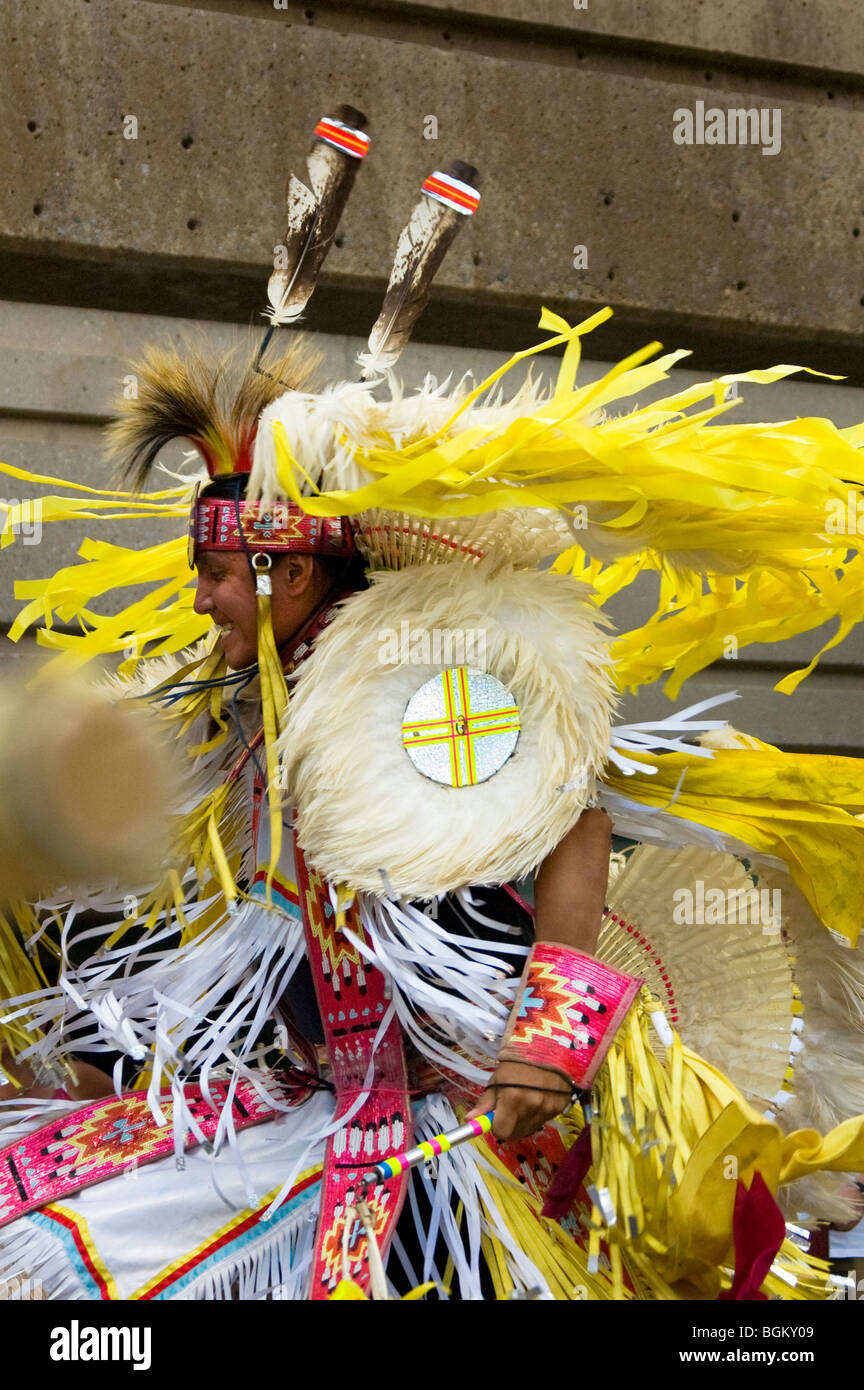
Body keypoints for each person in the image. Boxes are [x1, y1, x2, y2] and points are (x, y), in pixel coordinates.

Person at [2, 106, 864, 1301]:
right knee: (40, 1228)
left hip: (456, 1116)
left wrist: (550, 1046)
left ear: (289, 572)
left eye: (212, 572)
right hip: (311, 1092)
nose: (195, 597)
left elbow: (575, 820)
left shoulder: (429, 679)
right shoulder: (242, 700)